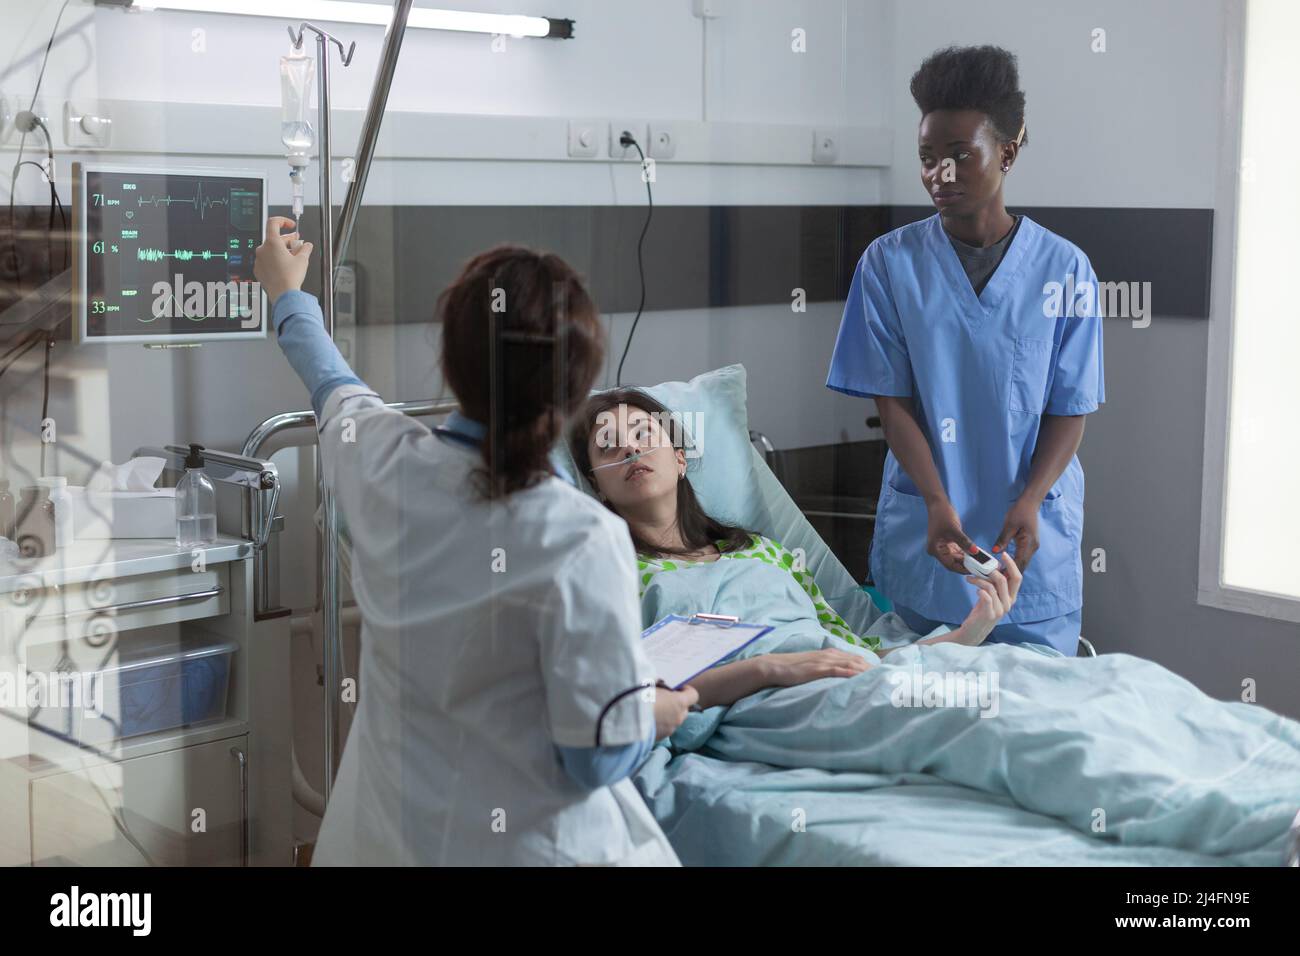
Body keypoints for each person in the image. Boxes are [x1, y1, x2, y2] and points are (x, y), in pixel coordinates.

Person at [253, 219, 695, 865]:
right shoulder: (581, 537)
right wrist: (654, 713)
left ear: (451, 362)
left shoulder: (381, 463)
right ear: (575, 391)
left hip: (381, 842)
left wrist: (287, 294)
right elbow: (595, 759)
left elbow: (327, 378)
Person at [826, 45, 1105, 655]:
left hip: (1030, 541)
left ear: (1006, 153)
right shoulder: (889, 265)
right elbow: (892, 403)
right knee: (924, 709)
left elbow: (1070, 407)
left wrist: (1031, 500)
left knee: (1035, 717)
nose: (939, 175)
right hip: (931, 538)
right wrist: (935, 504)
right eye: (927, 158)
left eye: (959, 156)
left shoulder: (1065, 270)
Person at [569, 389, 1021, 710]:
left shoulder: (764, 552)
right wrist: (771, 670)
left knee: (1016, 695)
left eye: (643, 432)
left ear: (681, 458)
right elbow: (638, 701)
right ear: (597, 487)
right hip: (775, 706)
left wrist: (968, 635)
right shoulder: (616, 576)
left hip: (853, 680)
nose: (628, 447)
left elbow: (853, 652)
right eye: (607, 445)